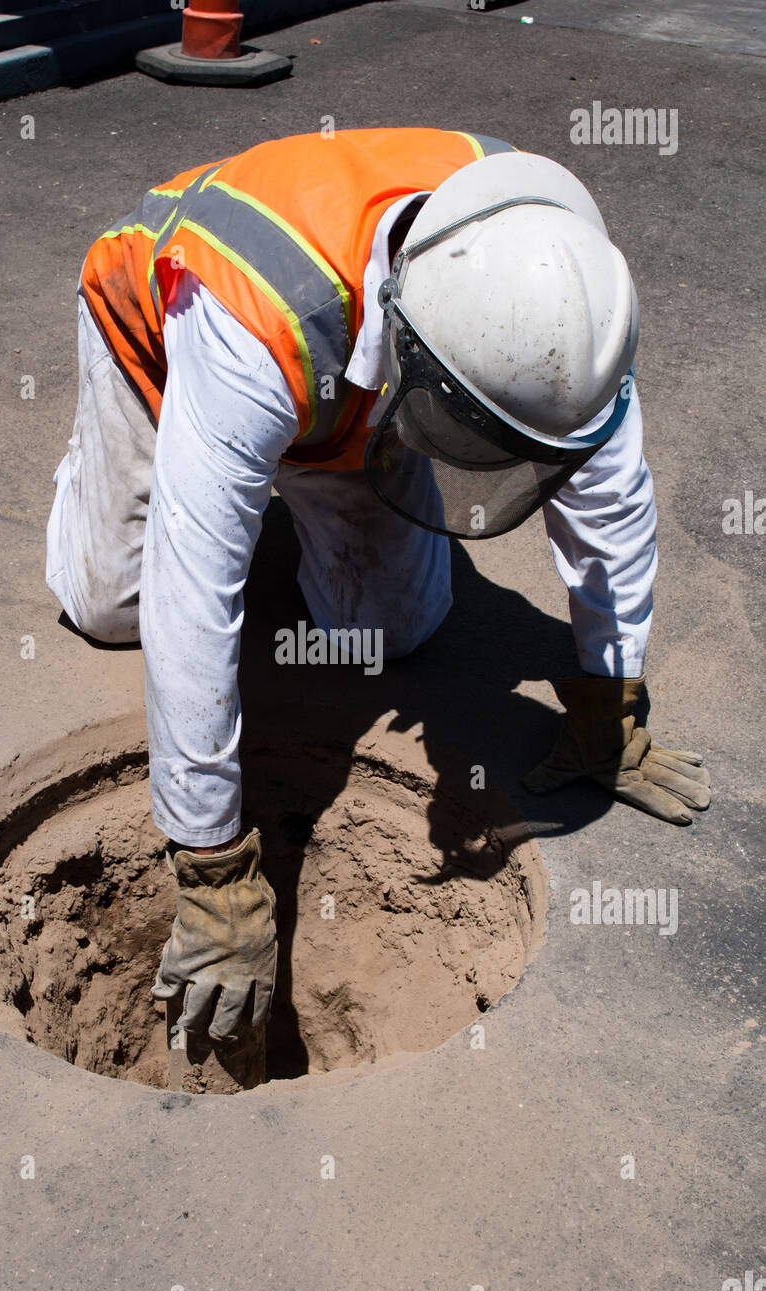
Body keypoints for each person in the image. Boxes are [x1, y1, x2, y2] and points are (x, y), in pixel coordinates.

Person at [46, 128, 710, 1044]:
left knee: (394, 631)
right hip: (166, 336)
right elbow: (192, 595)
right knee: (112, 608)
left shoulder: (561, 309)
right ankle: (120, 482)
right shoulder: (256, 314)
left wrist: (611, 690)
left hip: (353, 398)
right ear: (412, 345)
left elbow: (611, 512)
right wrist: (210, 867)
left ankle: (288, 463)